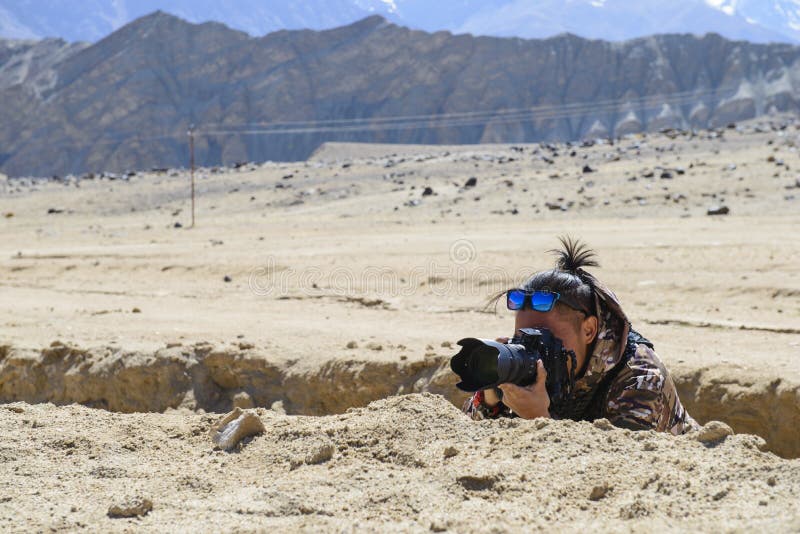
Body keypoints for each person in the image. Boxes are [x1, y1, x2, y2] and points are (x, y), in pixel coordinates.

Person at [463, 236, 698, 435]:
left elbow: (619, 469)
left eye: (544, 338)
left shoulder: (640, 375)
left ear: (588, 330)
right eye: (524, 339)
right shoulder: (533, 368)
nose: (534, 352)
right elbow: (468, 440)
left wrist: (538, 419)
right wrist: (490, 399)